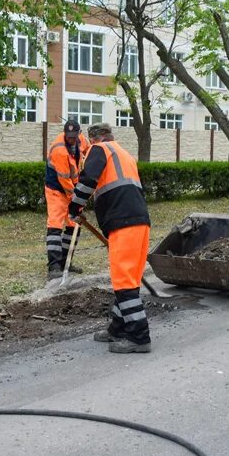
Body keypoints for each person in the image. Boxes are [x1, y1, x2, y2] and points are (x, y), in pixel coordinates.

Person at [68, 123, 152, 354]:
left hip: (124, 224)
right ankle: (118, 328)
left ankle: (138, 337)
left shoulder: (100, 150)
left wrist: (74, 207)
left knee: (124, 281)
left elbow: (87, 181)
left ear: (95, 139)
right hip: (139, 223)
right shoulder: (124, 154)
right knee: (128, 279)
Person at [44, 119, 89, 280]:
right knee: (55, 225)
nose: (71, 139)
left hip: (72, 190)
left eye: (74, 136)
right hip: (56, 189)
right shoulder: (59, 150)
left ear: (79, 133)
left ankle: (66, 262)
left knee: (74, 225)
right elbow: (64, 179)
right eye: (68, 136)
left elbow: (88, 153)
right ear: (65, 133)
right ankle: (54, 267)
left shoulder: (82, 140)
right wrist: (76, 200)